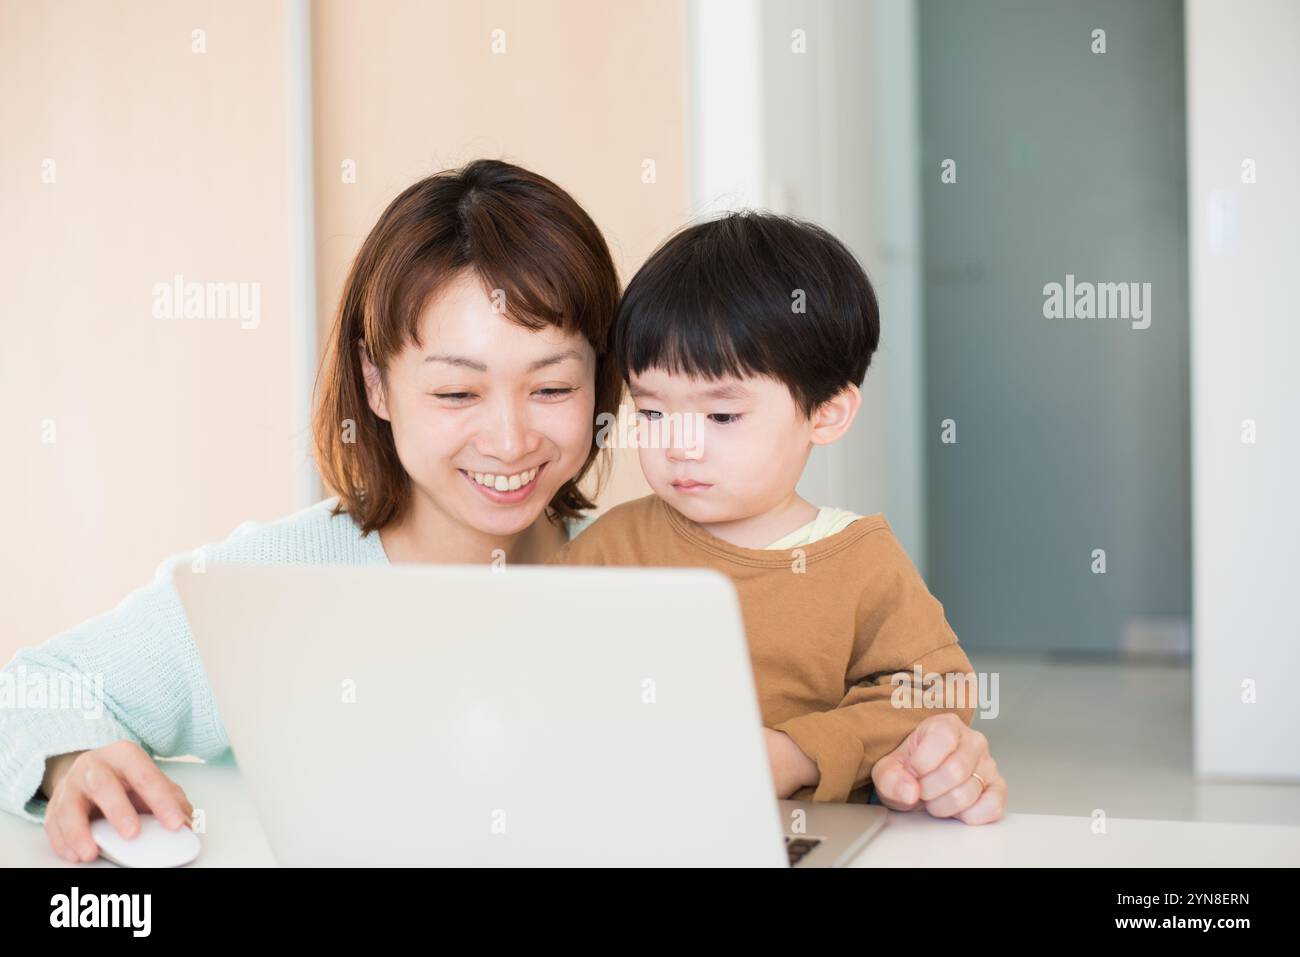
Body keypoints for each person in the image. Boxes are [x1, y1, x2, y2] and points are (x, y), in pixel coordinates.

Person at [548, 211, 1006, 822]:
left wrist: (797, 755)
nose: (679, 444)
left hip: (808, 831)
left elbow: (937, 692)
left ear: (827, 414)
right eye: (653, 412)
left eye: (722, 416)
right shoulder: (611, 547)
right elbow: (547, 688)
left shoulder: (860, 560)